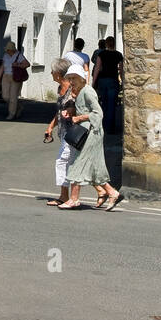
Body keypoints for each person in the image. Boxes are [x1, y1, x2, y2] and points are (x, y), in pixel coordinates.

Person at [58, 63, 122, 211]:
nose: (72, 81)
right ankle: (112, 192)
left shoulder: (88, 91)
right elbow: (83, 109)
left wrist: (79, 118)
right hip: (85, 132)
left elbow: (98, 113)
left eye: (74, 78)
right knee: (92, 165)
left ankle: (74, 199)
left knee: (77, 162)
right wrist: (71, 111)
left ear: (82, 78)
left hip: (92, 132)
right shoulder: (80, 91)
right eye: (70, 78)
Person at [44, 58, 76, 205]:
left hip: (74, 132)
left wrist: (71, 112)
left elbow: (77, 108)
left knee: (63, 161)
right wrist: (51, 126)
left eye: (52, 71)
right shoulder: (60, 89)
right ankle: (64, 196)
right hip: (64, 132)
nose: (51, 73)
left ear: (58, 73)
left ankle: (106, 190)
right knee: (67, 162)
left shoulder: (73, 89)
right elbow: (59, 112)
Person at [93, 35, 124, 135]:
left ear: (106, 44)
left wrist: (93, 82)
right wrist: (123, 81)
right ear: (114, 44)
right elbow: (121, 69)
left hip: (102, 80)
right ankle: (111, 127)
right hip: (113, 80)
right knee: (112, 104)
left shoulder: (102, 54)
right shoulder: (118, 55)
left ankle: (104, 126)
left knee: (104, 103)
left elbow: (97, 68)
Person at [0, 39, 30, 120]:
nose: (7, 51)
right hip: (6, 76)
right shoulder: (5, 55)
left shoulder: (19, 55)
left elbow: (27, 64)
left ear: (12, 49)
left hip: (16, 77)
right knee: (5, 96)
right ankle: (18, 106)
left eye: (8, 50)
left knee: (13, 97)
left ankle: (11, 114)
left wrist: (18, 64)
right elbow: (2, 67)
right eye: (7, 50)